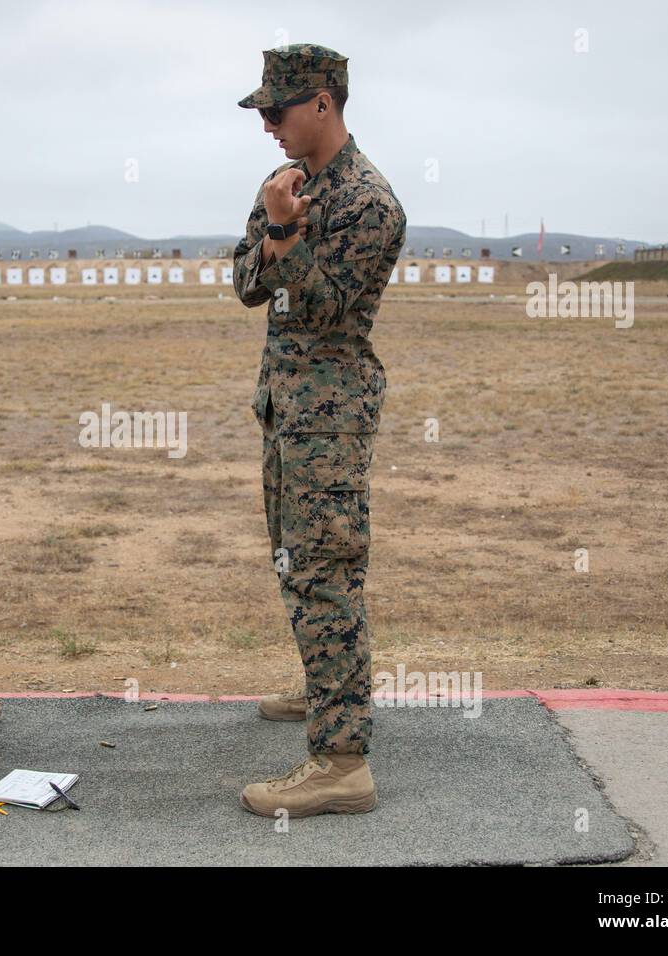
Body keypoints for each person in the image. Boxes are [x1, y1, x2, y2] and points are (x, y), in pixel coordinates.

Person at [231, 44, 407, 817]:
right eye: (264, 110)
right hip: (287, 411)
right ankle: (324, 684)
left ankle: (341, 761)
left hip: (329, 421)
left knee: (327, 574)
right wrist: (274, 234)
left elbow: (330, 306)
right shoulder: (287, 187)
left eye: (279, 108)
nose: (268, 124)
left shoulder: (370, 201)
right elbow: (243, 283)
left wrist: (287, 239)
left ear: (324, 103)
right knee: (297, 565)